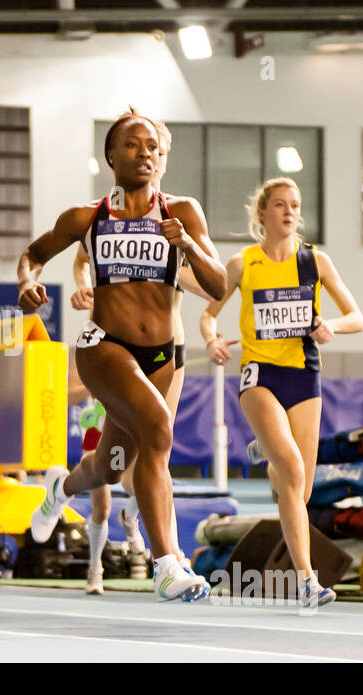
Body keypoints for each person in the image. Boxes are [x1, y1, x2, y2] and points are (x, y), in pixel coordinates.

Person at [19, 110, 227, 603]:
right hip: (104, 348)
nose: (145, 153)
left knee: (111, 468)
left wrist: (188, 244)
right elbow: (34, 254)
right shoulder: (86, 217)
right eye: (133, 145)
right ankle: (167, 564)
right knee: (158, 429)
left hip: (161, 356)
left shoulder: (183, 211)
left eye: (153, 146)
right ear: (111, 156)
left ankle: (60, 489)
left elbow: (219, 285)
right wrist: (27, 282)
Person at [201, 177, 363, 609]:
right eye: (279, 204)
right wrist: (212, 340)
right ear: (262, 213)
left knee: (300, 489)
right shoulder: (243, 264)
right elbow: (208, 314)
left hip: (304, 377)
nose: (289, 211)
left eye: (295, 204)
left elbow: (357, 317)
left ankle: (269, 452)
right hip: (260, 375)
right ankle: (307, 580)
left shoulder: (316, 261)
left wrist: (332, 326)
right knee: (291, 468)